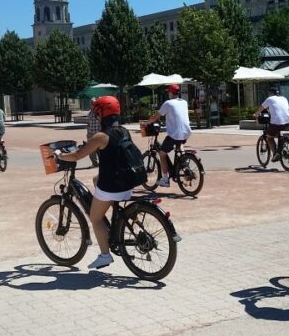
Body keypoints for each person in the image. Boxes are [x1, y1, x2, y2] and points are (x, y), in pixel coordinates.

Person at [55, 95, 133, 270]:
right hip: (127, 182)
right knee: (96, 179)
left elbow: (77, 156)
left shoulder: (100, 137)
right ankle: (115, 216)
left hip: (113, 185)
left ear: (101, 114)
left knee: (95, 218)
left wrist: (60, 155)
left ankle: (105, 256)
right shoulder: (123, 131)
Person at [145, 84, 191, 187]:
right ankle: (185, 164)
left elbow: (157, 116)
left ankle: (165, 179)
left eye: (168, 92)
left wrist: (147, 122)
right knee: (180, 145)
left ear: (170, 93)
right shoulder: (184, 102)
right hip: (186, 132)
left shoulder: (168, 103)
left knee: (162, 154)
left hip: (174, 134)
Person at [254, 86, 289, 162]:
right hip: (287, 122)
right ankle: (282, 147)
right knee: (278, 134)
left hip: (276, 123)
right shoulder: (284, 98)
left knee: (269, 137)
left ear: (270, 93)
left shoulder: (270, 99)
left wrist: (256, 115)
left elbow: (261, 108)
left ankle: (275, 154)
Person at [86, 98, 100, 167]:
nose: (93, 105)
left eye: (94, 103)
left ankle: (103, 163)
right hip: (91, 133)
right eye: (91, 103)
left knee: (100, 149)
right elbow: (88, 123)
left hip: (99, 133)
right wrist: (88, 132)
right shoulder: (90, 113)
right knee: (91, 150)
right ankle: (94, 163)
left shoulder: (100, 112)